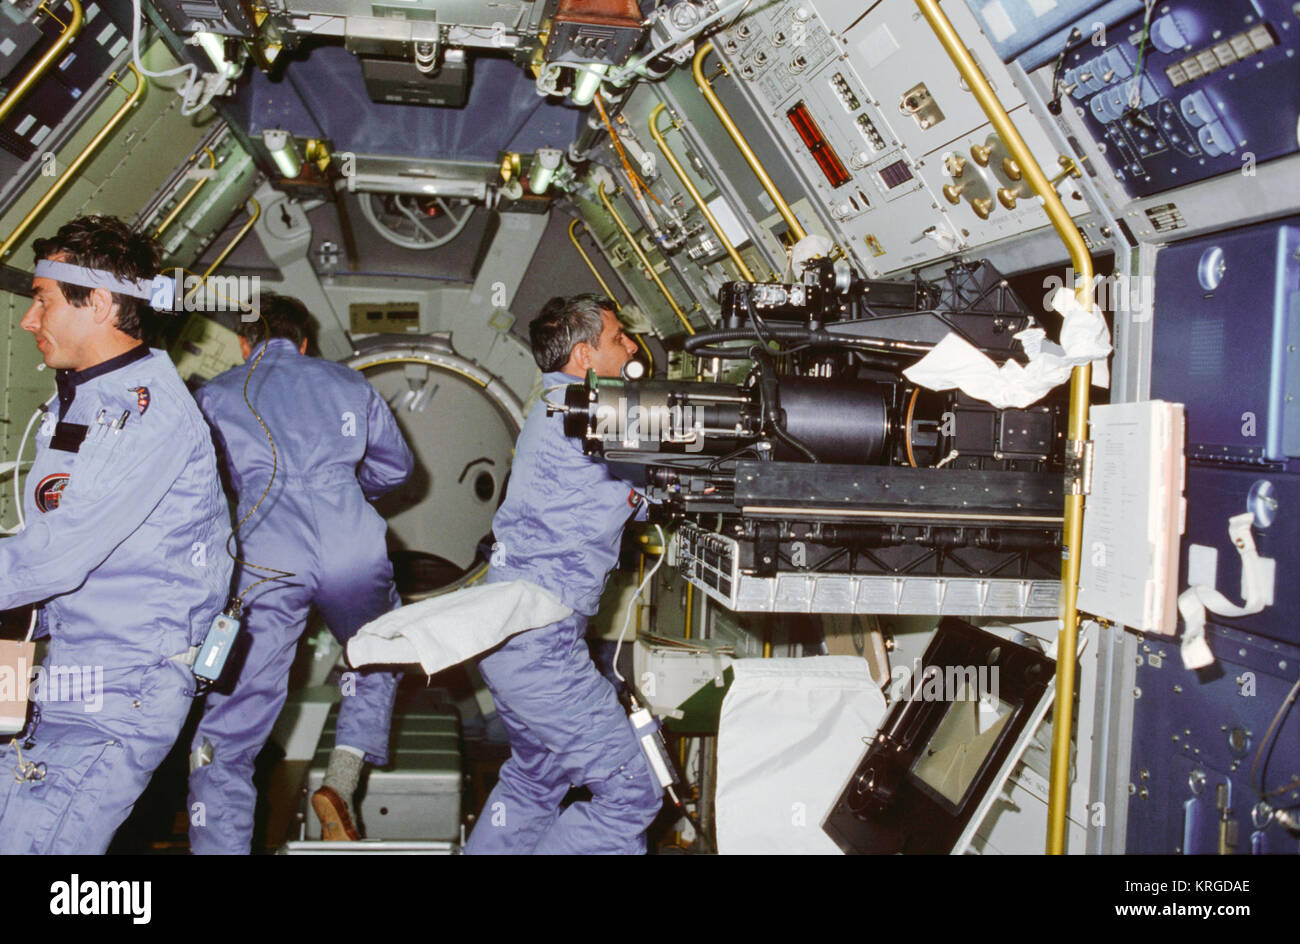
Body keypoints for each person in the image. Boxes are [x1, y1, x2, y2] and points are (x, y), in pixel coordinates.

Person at [0, 215, 232, 854]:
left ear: (98, 303)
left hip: (116, 692)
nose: (28, 319)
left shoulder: (137, 414)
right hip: (75, 675)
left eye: (41, 299)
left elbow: (50, 557)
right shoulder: (84, 399)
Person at [186, 294, 414, 853]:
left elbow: (198, 488)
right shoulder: (348, 383)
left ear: (244, 342)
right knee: (381, 645)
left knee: (232, 725)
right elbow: (397, 467)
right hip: (352, 548)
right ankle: (340, 780)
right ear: (304, 341)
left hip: (262, 561)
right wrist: (340, 496)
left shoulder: (214, 395)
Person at [464, 293, 663, 855]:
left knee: (534, 782)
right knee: (633, 795)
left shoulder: (554, 409)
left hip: (511, 637)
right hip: (540, 647)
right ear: (583, 355)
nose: (633, 347)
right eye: (620, 338)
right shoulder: (592, 416)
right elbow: (657, 479)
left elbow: (626, 491)